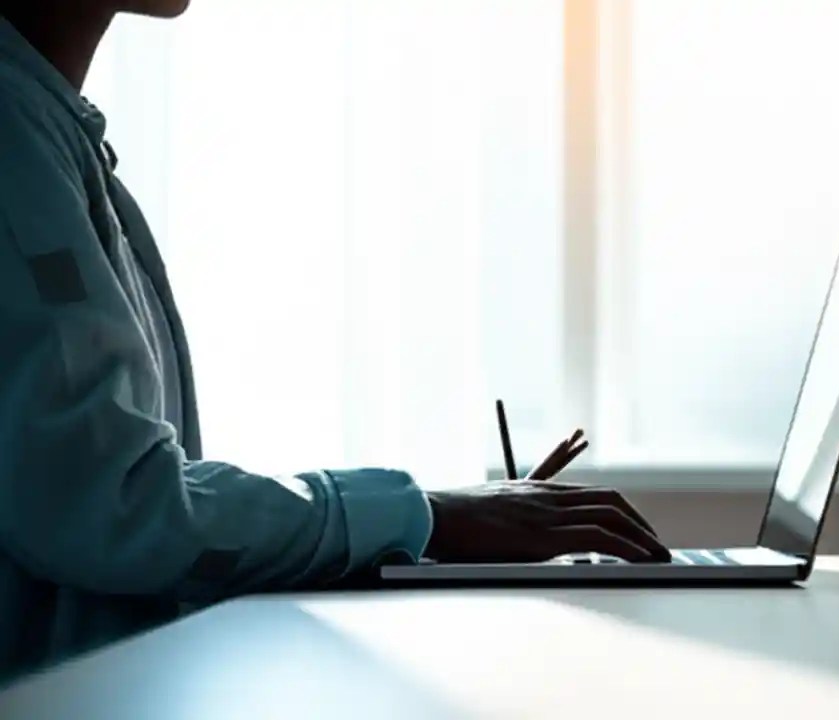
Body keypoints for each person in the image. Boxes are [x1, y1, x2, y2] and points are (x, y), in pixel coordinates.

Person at [0, 0, 668, 682]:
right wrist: (426, 516)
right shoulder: (14, 138)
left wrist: (426, 521)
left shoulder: (49, 129)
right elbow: (115, 507)